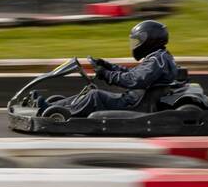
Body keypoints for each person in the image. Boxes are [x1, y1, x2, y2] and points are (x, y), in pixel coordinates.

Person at [40, 20, 178, 118]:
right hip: (136, 98)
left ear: (149, 40)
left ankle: (55, 111)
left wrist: (106, 74)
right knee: (93, 93)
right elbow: (133, 73)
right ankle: (52, 105)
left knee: (95, 96)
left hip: (134, 104)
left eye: (137, 41)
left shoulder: (156, 60)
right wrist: (108, 66)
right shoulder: (159, 57)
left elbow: (134, 80)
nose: (135, 45)